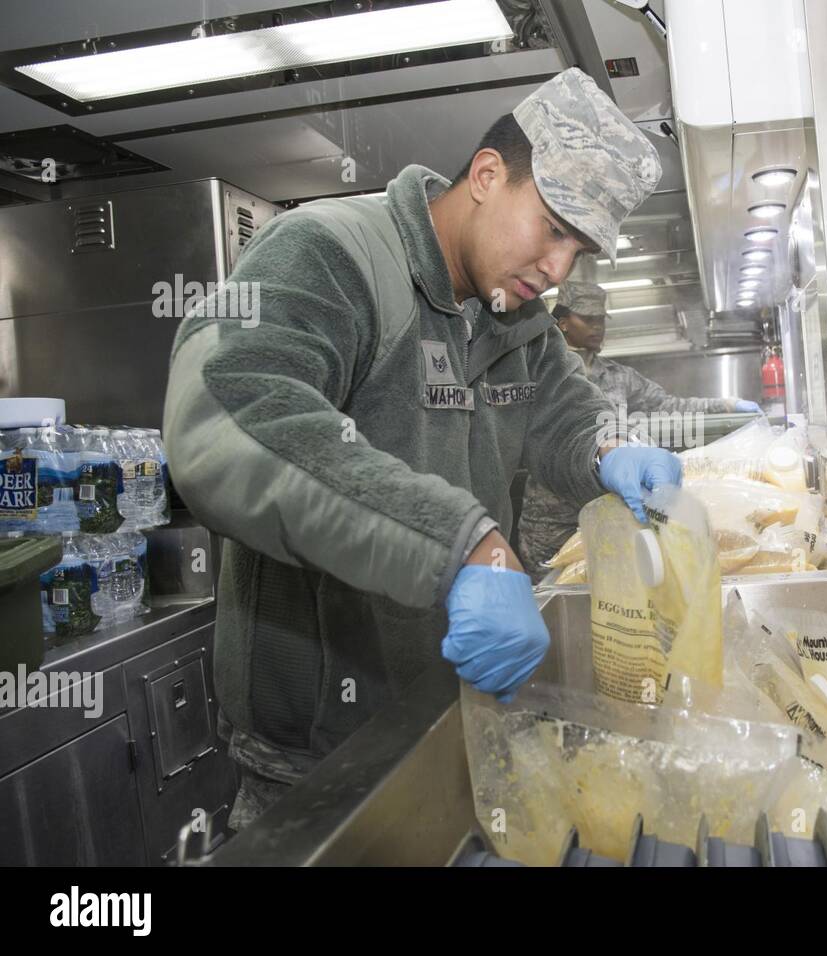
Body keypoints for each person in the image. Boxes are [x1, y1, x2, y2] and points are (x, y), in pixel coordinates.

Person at [162, 68, 680, 830]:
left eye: (581, 250)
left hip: (452, 710)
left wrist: (610, 449)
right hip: (317, 756)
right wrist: (460, 547)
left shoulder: (516, 316)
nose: (558, 269)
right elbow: (231, 421)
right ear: (487, 174)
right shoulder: (331, 254)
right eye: (554, 227)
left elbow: (565, 413)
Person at [516, 279, 761, 580]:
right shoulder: (539, 374)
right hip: (551, 526)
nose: (597, 327)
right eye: (588, 319)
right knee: (553, 605)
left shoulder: (620, 377)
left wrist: (726, 405)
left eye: (600, 319)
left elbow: (668, 406)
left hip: (608, 517)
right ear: (563, 323)